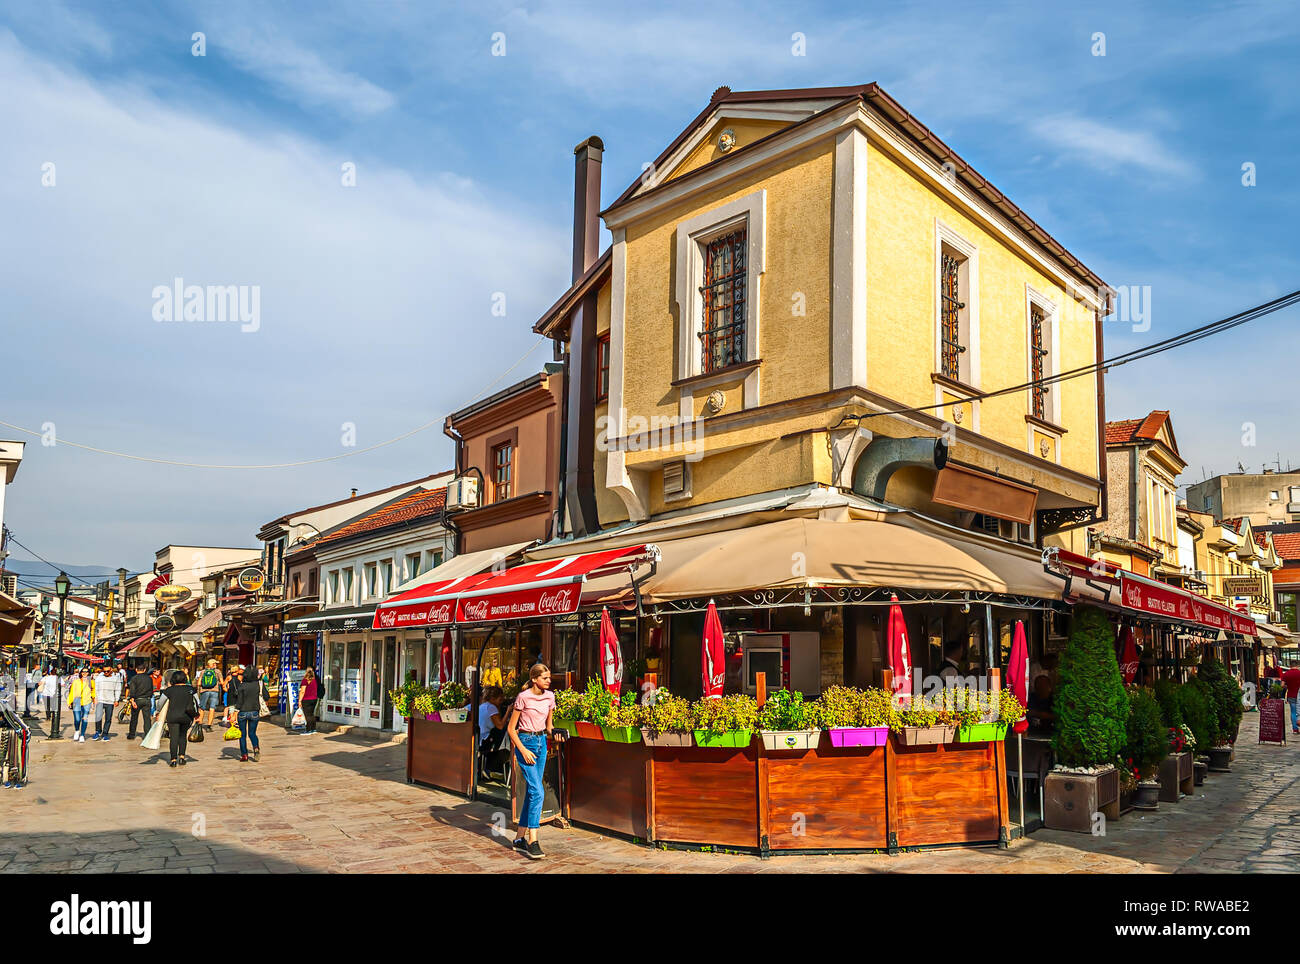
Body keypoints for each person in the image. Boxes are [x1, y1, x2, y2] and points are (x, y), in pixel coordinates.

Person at [506, 664, 558, 860]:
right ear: (535, 679)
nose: (549, 681)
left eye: (549, 678)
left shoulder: (550, 697)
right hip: (525, 742)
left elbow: (549, 726)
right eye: (545, 678)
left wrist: (558, 734)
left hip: (541, 743)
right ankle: (532, 841)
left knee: (532, 792)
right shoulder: (523, 697)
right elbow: (512, 729)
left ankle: (519, 838)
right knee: (538, 791)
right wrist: (523, 750)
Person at [160, 670, 198, 767]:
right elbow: (198, 702)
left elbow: (160, 703)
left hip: (172, 716)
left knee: (173, 738)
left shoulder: (169, 690)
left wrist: (157, 711)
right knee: (182, 736)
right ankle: (182, 757)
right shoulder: (191, 689)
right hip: (186, 716)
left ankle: (173, 760)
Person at [235, 666, 269, 762]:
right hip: (254, 711)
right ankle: (256, 748)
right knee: (252, 733)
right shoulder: (259, 684)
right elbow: (267, 697)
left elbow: (239, 701)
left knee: (242, 734)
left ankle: (244, 755)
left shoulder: (242, 685)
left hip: (242, 712)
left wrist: (235, 711)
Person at [477, 686, 508, 780]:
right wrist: (508, 711)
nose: (501, 701)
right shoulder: (492, 707)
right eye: (500, 699)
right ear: (493, 698)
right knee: (505, 732)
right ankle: (494, 768)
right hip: (486, 741)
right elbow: (500, 725)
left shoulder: (482, 706)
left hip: (479, 738)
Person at [91, 663, 123, 741]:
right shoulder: (99, 678)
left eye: (107, 671)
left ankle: (105, 733)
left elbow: (118, 689)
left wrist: (116, 699)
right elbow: (96, 688)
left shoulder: (116, 678)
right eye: (104, 671)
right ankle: (98, 732)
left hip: (110, 701)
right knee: (98, 717)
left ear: (111, 670)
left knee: (108, 718)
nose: (106, 673)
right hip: (100, 700)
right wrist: (95, 698)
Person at [125, 663, 156, 740]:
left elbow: (132, 691)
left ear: (136, 670)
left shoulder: (134, 678)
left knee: (134, 718)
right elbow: (151, 690)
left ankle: (132, 734)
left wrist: (132, 700)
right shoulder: (149, 678)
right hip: (147, 700)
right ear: (145, 670)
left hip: (137, 700)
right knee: (147, 719)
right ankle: (147, 735)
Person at [66, 669, 95, 742]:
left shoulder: (91, 682)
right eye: (83, 672)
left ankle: (82, 735)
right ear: (81, 673)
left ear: (88, 673)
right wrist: (69, 701)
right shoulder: (76, 681)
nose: (85, 673)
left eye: (86, 672)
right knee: (77, 719)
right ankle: (77, 730)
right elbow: (72, 692)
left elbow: (93, 691)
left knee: (84, 719)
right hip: (77, 701)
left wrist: (94, 700)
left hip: (87, 701)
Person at [195, 659, 222, 731]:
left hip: (204, 691)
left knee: (202, 708)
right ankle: (209, 726)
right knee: (212, 708)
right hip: (214, 691)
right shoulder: (217, 671)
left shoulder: (203, 672)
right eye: (215, 664)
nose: (216, 665)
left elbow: (198, 683)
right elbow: (222, 682)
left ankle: (199, 724)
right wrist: (217, 682)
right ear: (213, 664)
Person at [1278, 664, 1300, 734]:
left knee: (1293, 712)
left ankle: (1295, 729)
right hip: (1299, 695)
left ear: (1290, 666)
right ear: (1297, 666)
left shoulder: (1286, 674)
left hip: (1291, 695)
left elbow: (1282, 685)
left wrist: (1287, 686)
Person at [299, 668, 320, 734]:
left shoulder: (305, 681)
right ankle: (313, 729)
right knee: (311, 714)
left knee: (307, 715)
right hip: (314, 699)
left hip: (306, 699)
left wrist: (300, 700)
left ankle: (308, 730)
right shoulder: (315, 680)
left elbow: (302, 691)